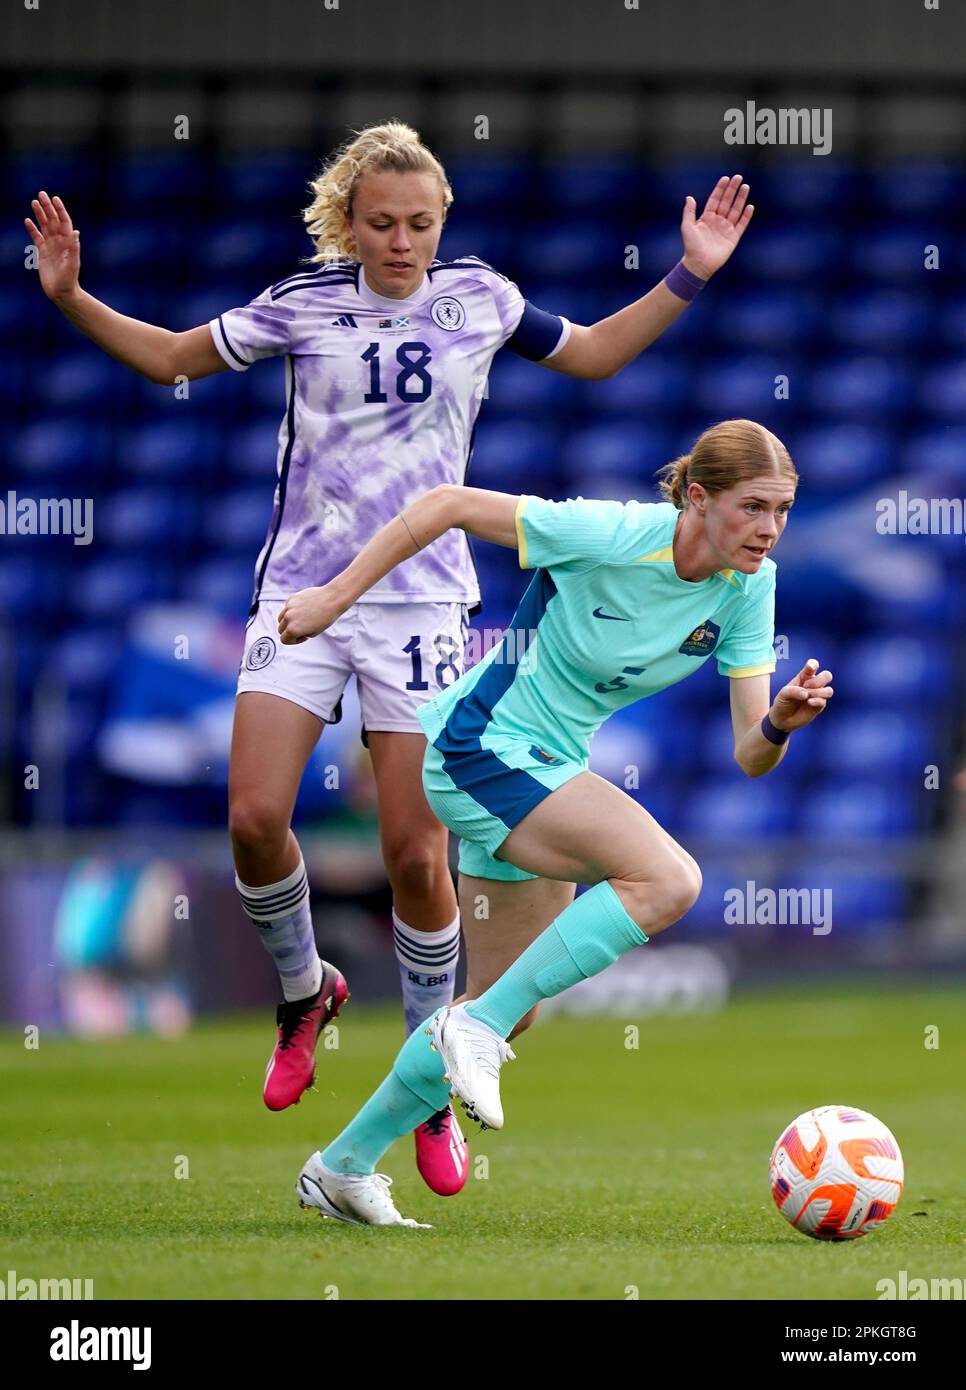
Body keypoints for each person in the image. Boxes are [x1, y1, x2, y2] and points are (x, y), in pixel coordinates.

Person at [24, 122, 753, 1197]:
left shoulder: (483, 301)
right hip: (304, 595)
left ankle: (427, 1081)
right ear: (347, 223)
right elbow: (177, 357)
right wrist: (72, 297)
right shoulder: (303, 304)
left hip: (421, 602)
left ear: (442, 221)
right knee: (253, 818)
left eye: (419, 222)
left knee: (418, 854)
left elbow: (593, 353)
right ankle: (303, 990)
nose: (402, 241)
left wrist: (690, 274)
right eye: (381, 223)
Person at [278, 418, 834, 1227]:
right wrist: (333, 598)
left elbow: (751, 752)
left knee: (512, 1003)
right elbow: (444, 503)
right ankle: (473, 1029)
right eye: (754, 507)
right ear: (700, 498)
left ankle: (342, 1166)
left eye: (783, 509)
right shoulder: (611, 534)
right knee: (668, 879)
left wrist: (780, 722)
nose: (770, 529)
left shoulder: (750, 586)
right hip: (479, 747)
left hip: (543, 769)